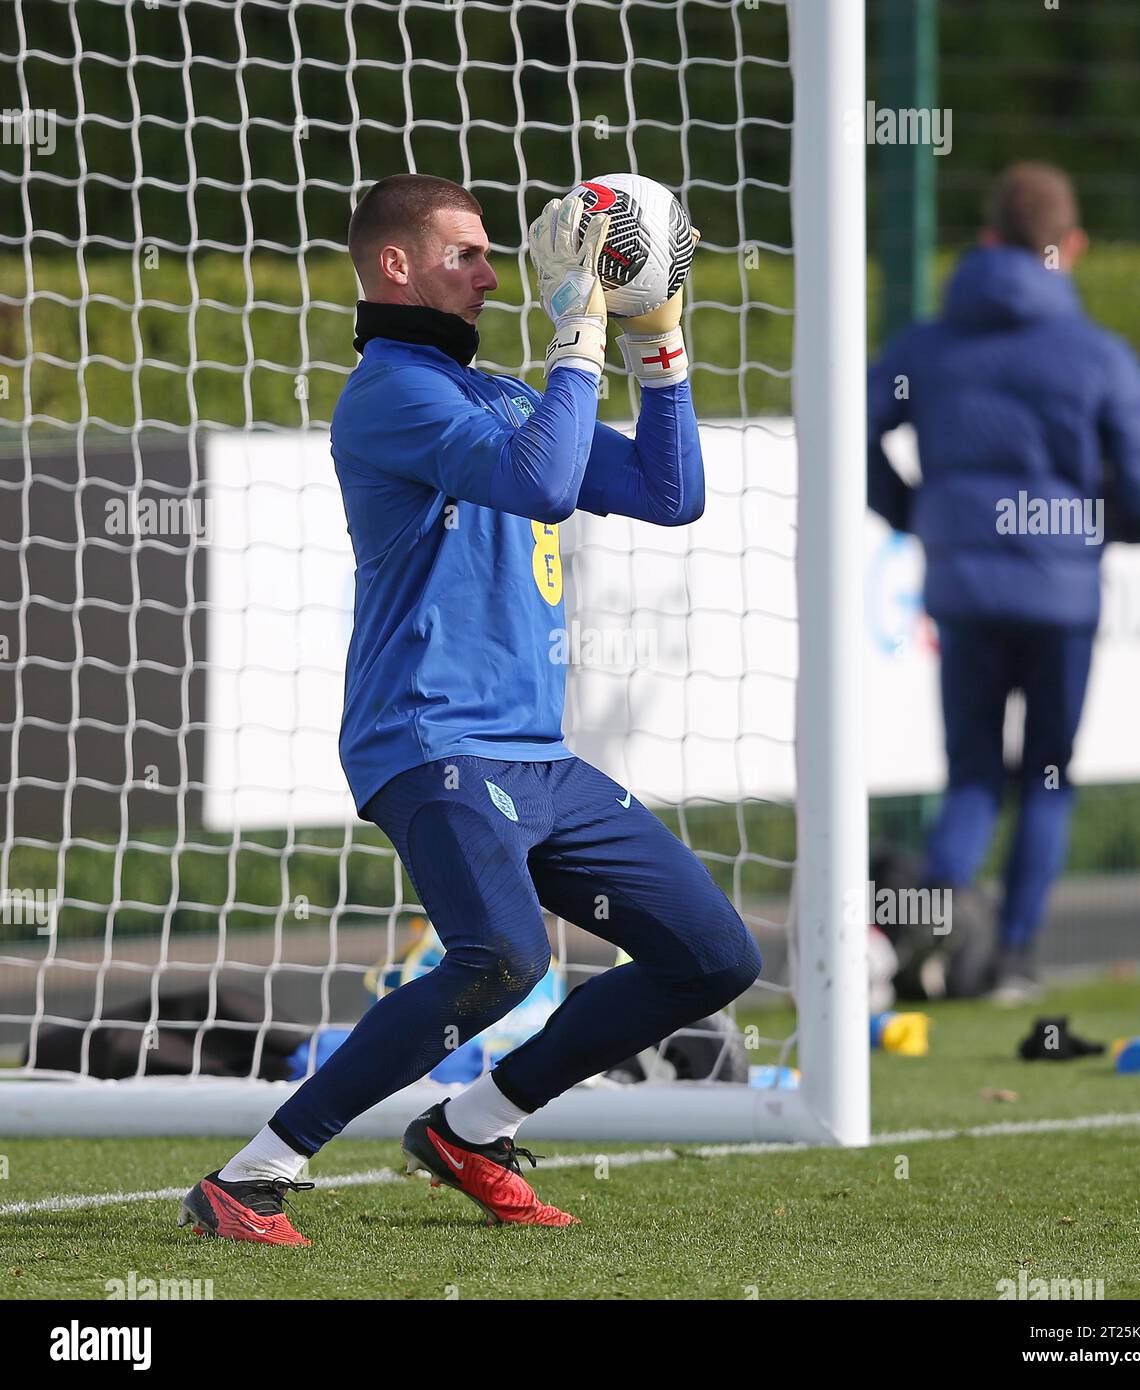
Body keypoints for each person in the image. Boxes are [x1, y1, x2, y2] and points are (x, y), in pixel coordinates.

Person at [178, 173, 761, 1243]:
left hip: (534, 754)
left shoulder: (494, 390)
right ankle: (251, 1174)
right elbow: (544, 485)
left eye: (495, 253)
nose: (497, 273)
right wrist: (578, 335)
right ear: (395, 266)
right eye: (468, 254)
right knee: (502, 957)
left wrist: (656, 342)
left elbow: (671, 497)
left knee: (714, 954)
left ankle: (472, 1127)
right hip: (429, 737)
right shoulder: (392, 393)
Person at [867, 162, 1140, 1004]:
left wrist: (911, 513)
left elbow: (855, 428)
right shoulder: (1097, 356)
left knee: (969, 772)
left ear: (989, 239)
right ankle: (1013, 961)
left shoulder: (926, 346)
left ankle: (934, 946)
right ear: (1069, 246)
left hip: (963, 591)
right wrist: (1095, 528)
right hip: (1059, 598)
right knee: (1046, 774)